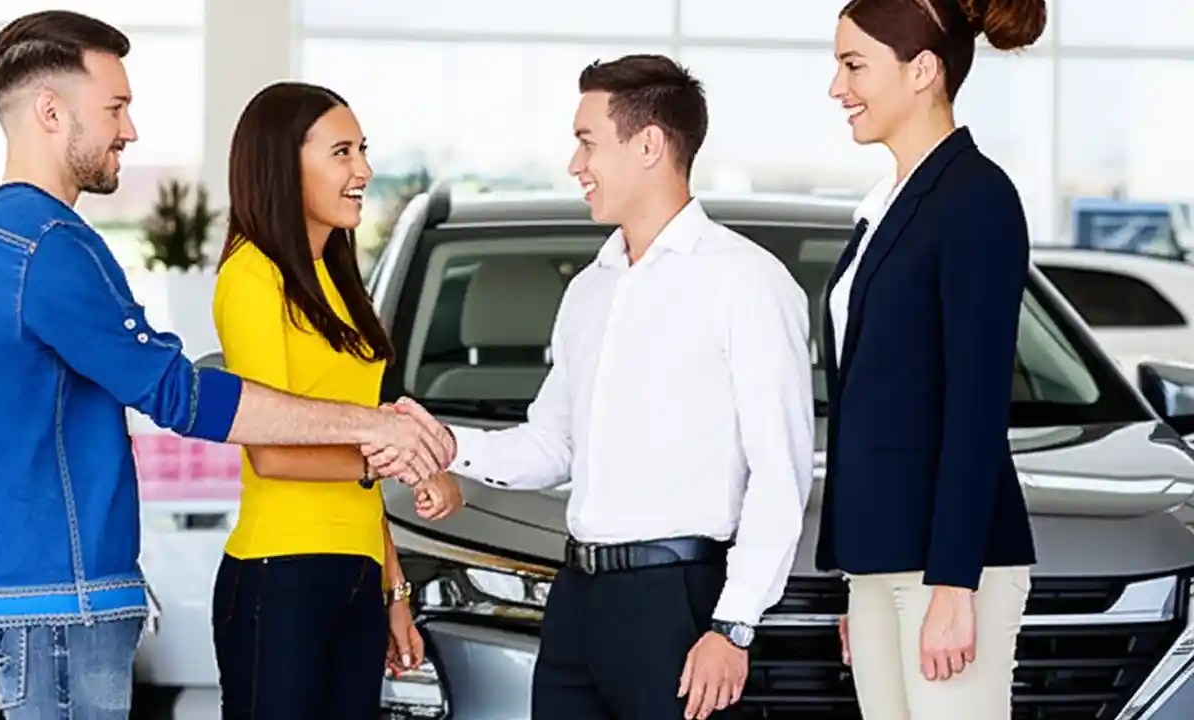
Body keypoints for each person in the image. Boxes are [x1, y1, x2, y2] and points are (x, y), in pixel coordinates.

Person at [0, 11, 453, 719]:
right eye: (114, 107)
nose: (130, 129)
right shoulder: (46, 245)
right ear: (49, 111)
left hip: (54, 594)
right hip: (61, 600)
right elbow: (179, 395)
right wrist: (375, 433)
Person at [382, 54, 814, 720]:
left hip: (676, 600)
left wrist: (733, 626)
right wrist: (447, 445)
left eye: (587, 142)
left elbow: (779, 474)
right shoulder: (591, 288)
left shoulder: (746, 283)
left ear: (649, 145)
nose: (574, 164)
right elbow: (553, 445)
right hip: (577, 597)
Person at [817, 1, 1045, 718]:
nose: (836, 87)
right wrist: (861, 571)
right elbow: (873, 396)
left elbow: (976, 408)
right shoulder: (890, 202)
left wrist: (954, 584)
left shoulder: (977, 198)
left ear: (922, 70)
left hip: (949, 566)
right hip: (883, 556)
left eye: (854, 65)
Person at [209, 81, 464, 718]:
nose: (364, 171)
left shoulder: (336, 279)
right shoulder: (252, 276)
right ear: (283, 163)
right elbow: (271, 452)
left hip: (353, 575)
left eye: (363, 150)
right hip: (280, 574)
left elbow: (362, 460)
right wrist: (392, 458)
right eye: (342, 153)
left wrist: (394, 587)